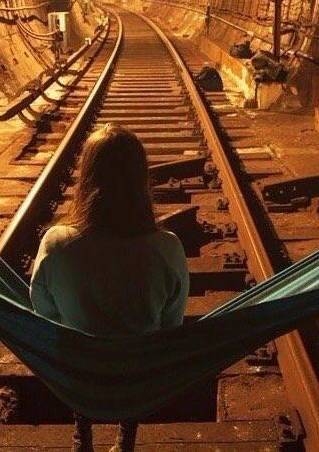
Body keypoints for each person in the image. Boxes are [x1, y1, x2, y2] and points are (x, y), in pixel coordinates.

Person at [30, 124, 189, 452]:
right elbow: (172, 325)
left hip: (77, 380)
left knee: (76, 340)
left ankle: (81, 434)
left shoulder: (56, 242)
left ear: (86, 177)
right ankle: (126, 435)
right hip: (140, 380)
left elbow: (43, 313)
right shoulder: (167, 247)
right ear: (140, 180)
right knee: (140, 342)